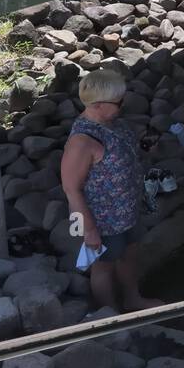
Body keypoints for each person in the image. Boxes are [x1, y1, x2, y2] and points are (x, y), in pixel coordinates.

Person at [60, 70, 156, 311]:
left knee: (129, 255)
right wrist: (89, 230)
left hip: (128, 210)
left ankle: (132, 299)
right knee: (103, 266)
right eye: (119, 102)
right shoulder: (82, 141)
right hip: (104, 219)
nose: (123, 106)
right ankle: (110, 313)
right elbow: (71, 189)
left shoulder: (113, 122)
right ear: (98, 105)